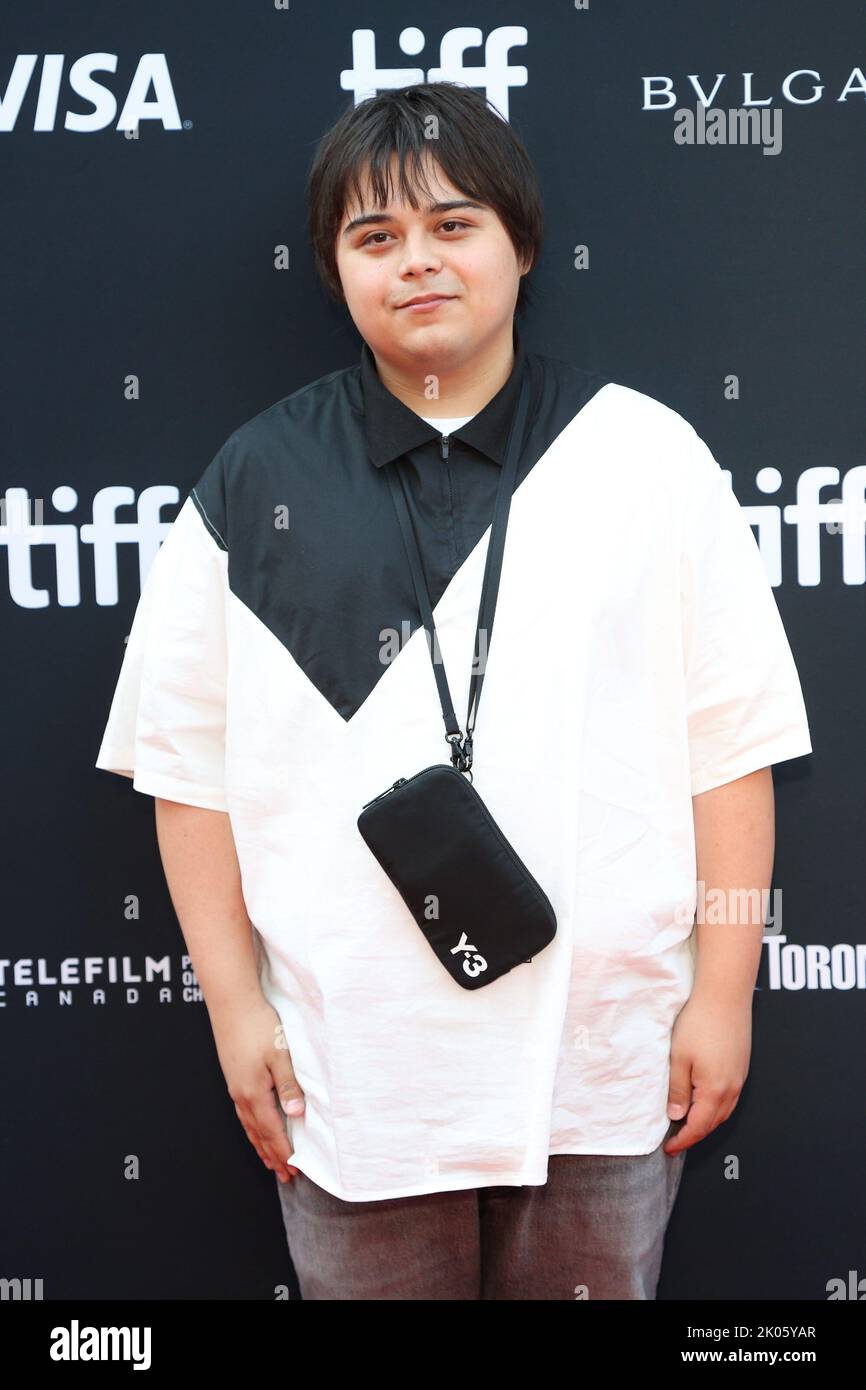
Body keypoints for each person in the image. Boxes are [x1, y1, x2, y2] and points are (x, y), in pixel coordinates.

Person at [94, 82, 812, 1300]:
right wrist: (234, 1013)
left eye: (452, 225)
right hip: (353, 1071)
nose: (415, 262)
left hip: (603, 1061)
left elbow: (727, 745)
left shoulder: (644, 456)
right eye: (374, 239)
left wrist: (723, 997)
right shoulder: (253, 477)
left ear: (520, 245)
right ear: (333, 271)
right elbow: (188, 771)